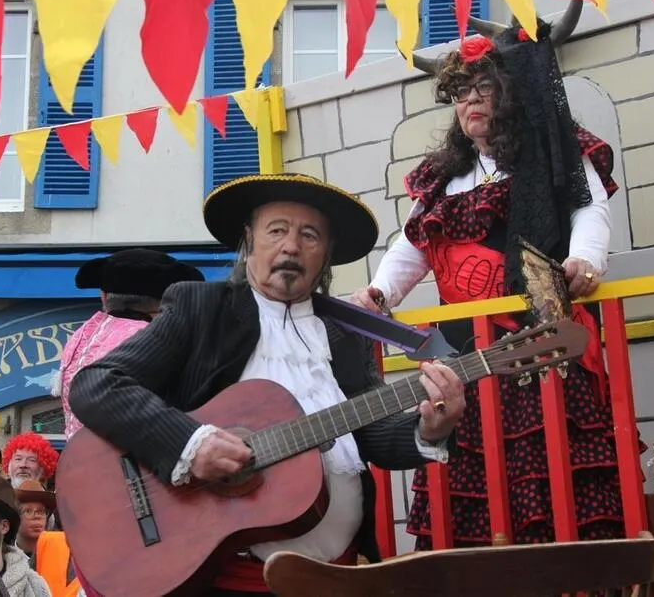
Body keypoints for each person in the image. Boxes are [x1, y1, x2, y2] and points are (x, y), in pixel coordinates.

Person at [69, 173, 465, 596]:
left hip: (339, 576)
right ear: (249, 241)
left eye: (309, 235)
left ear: (326, 254)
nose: (291, 246)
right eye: (276, 231)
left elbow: (367, 432)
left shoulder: (345, 334)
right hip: (229, 578)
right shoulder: (201, 308)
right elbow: (98, 383)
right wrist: (189, 443)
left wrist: (428, 430)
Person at [351, 0, 633, 548]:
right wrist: (380, 291)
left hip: (538, 350)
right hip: (462, 360)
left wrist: (585, 259)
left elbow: (589, 208)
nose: (471, 101)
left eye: (485, 89)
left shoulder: (553, 153)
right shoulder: (442, 176)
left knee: (550, 485)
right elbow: (411, 245)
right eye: (462, 92)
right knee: (469, 490)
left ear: (513, 95)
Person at [53, 248, 205, 440]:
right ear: (165, 302)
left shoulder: (79, 338)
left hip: (76, 456)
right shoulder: (156, 339)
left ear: (104, 296)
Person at [14, 480, 80, 597]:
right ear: (15, 517)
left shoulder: (67, 551)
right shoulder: (3, 556)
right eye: (28, 511)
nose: (36, 516)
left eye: (41, 511)